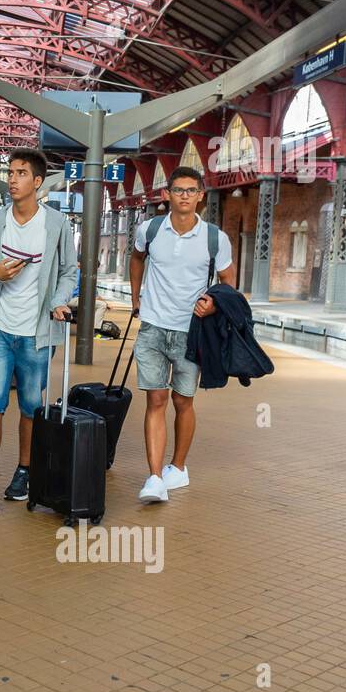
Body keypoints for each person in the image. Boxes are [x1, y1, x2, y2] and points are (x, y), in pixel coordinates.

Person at [0, 148, 75, 518]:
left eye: (20, 172)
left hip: (37, 333)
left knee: (31, 408)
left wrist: (58, 300)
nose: (11, 178)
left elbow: (69, 271)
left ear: (37, 183)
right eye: (10, 171)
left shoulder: (56, 225)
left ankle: (24, 472)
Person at [130, 167, 234, 504]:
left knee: (182, 401)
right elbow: (136, 257)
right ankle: (156, 477)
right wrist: (136, 298)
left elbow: (228, 284)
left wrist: (213, 306)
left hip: (192, 332)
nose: (185, 196)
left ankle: (178, 467)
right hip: (153, 327)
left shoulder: (215, 238)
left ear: (201, 195)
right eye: (178, 190)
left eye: (191, 190)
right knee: (156, 399)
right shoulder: (150, 229)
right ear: (167, 195)